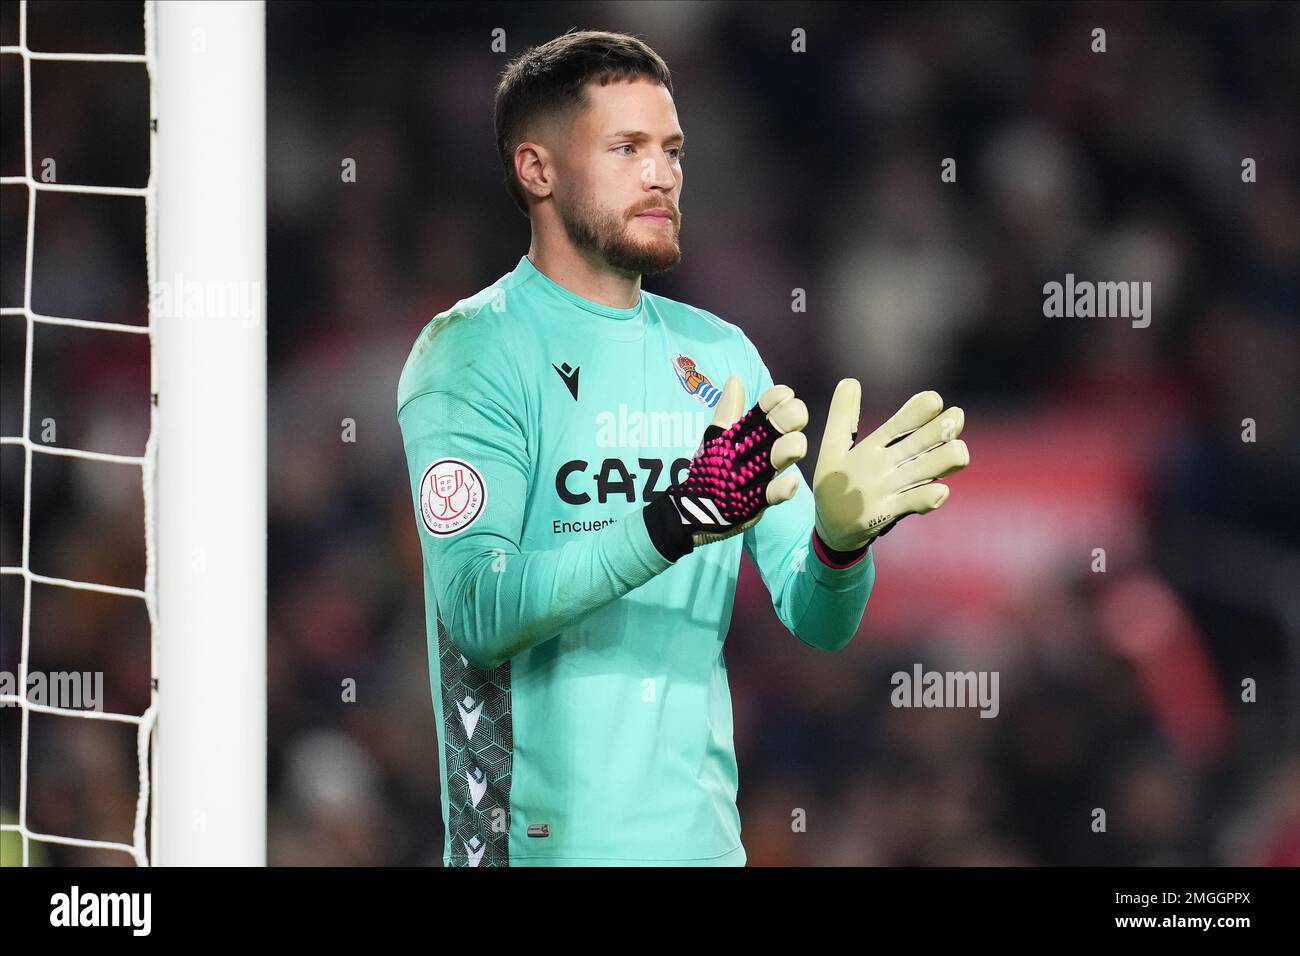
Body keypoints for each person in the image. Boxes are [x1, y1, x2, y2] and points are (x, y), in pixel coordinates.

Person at [397, 30, 969, 866]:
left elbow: (816, 619)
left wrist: (841, 546)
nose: (662, 174)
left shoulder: (721, 356)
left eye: (672, 149)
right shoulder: (472, 350)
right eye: (626, 148)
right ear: (537, 170)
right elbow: (482, 613)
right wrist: (675, 518)